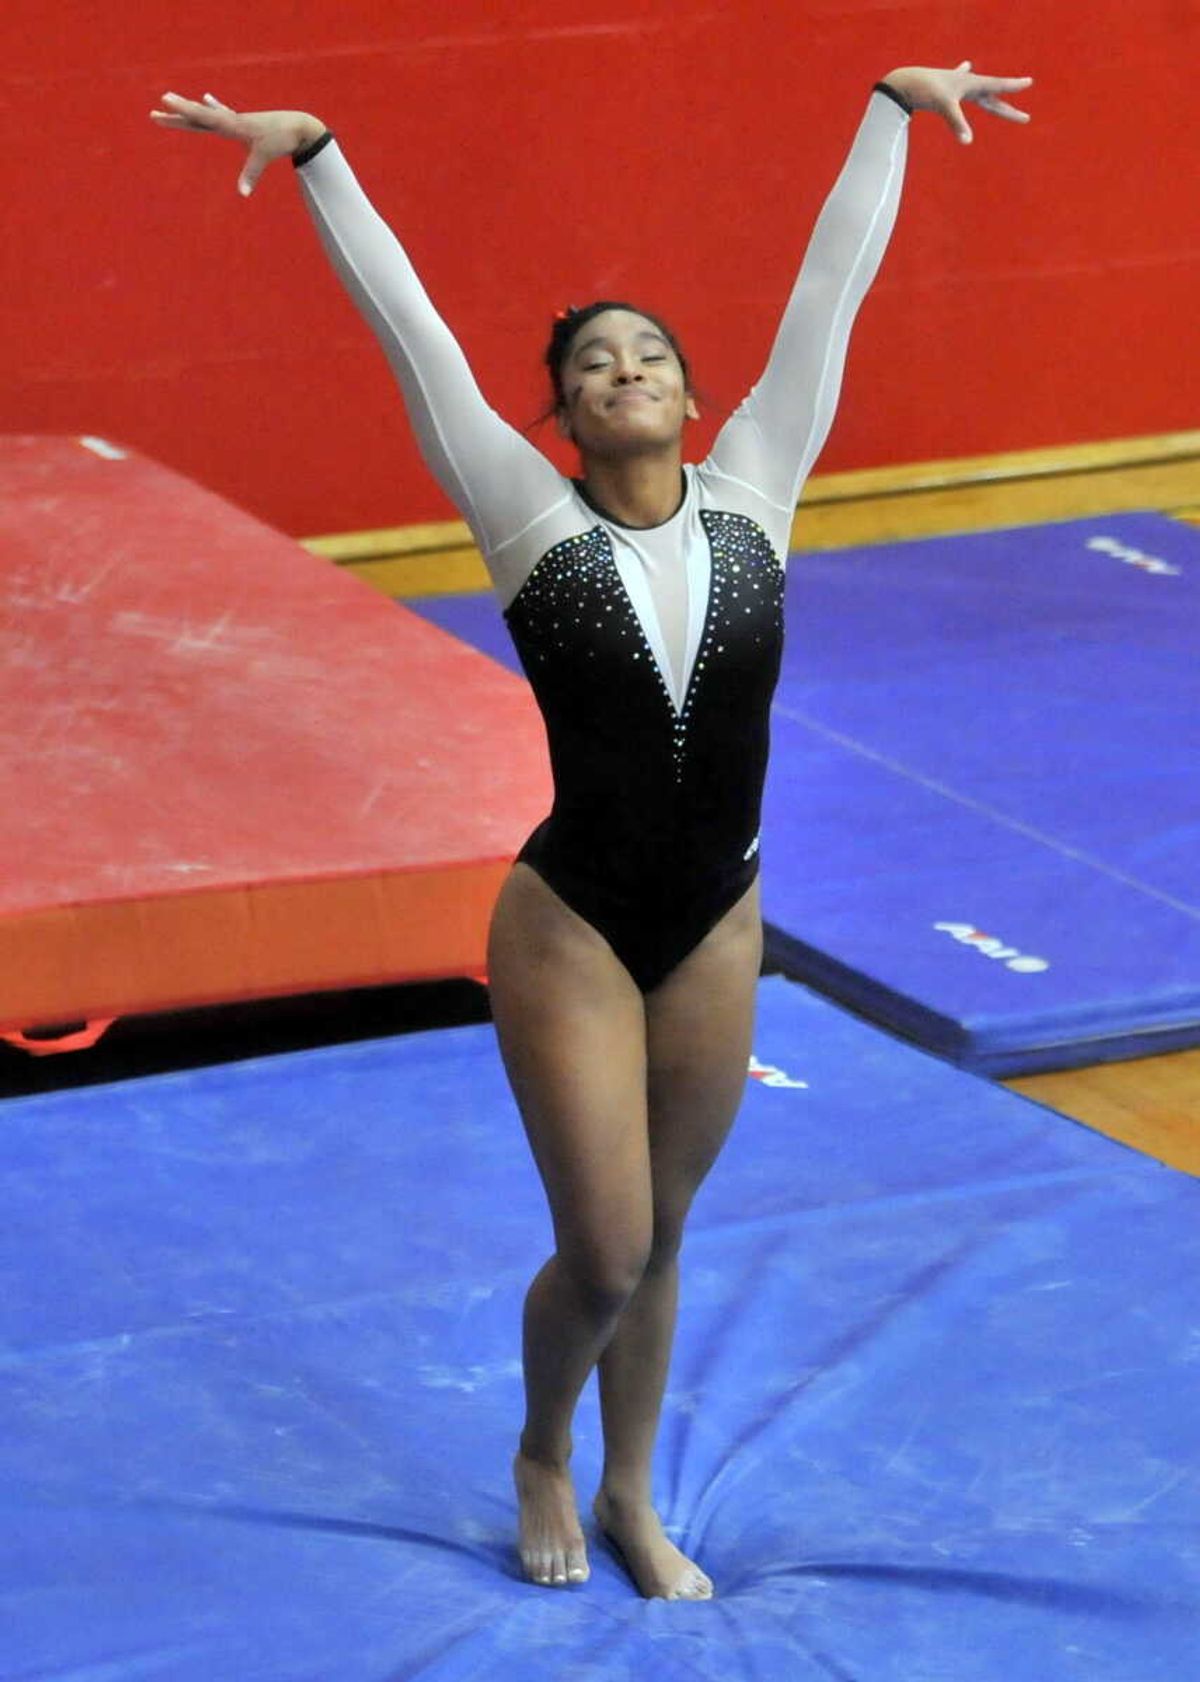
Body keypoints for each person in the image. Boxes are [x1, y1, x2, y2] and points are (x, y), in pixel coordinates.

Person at [151, 59, 1031, 1600]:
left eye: (650, 354)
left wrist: (890, 108)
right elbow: (410, 330)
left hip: (718, 918)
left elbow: (835, 285)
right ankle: (544, 1446)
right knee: (609, 1246)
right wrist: (317, 157)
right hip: (570, 921)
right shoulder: (524, 517)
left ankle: (635, 1493)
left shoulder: (759, 486)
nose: (624, 367)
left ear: (693, 400)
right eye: (594, 362)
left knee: (670, 1228)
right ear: (561, 414)